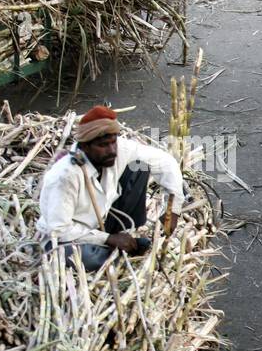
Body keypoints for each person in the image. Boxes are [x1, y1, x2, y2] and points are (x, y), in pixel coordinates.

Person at [36, 105, 184, 271]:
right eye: (103, 145)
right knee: (83, 258)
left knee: (139, 167)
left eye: (113, 142)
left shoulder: (119, 149)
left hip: (102, 222)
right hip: (69, 238)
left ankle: (125, 236)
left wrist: (174, 209)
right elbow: (59, 231)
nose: (112, 150)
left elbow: (166, 162)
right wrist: (108, 239)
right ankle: (115, 254)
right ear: (85, 146)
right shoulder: (64, 177)